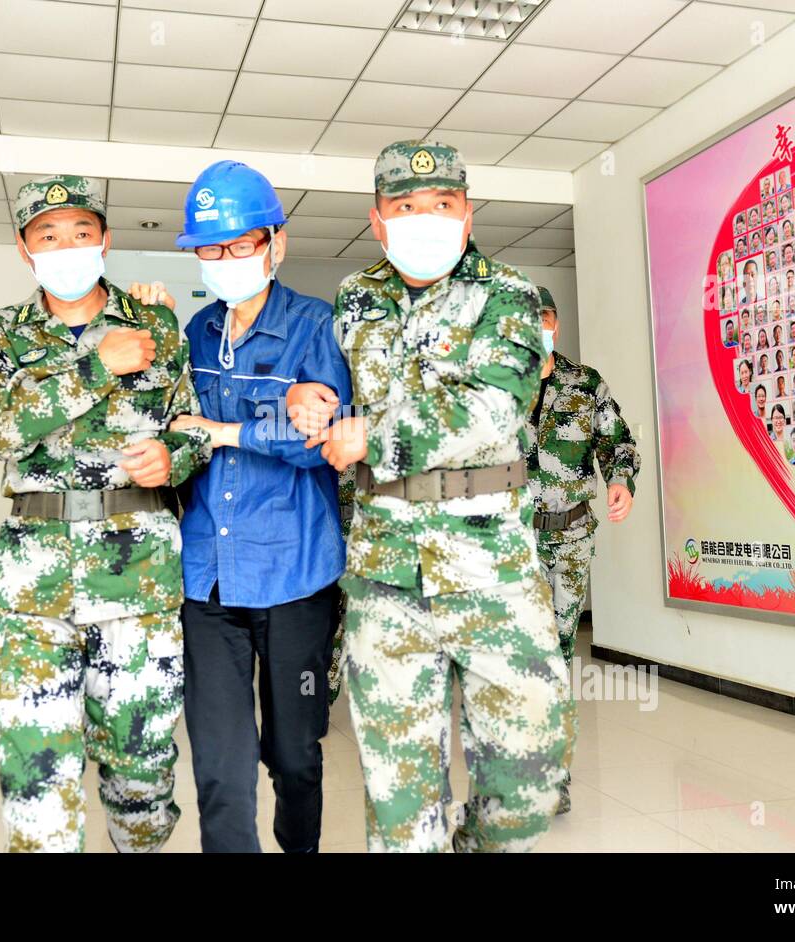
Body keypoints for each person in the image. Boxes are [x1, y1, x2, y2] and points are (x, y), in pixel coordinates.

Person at [286, 140, 571, 851]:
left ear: (467, 214)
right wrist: (303, 396)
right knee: (398, 791)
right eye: (405, 207)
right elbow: (332, 385)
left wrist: (370, 440)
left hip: (491, 567)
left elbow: (492, 411)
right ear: (378, 221)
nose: (425, 219)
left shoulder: (510, 296)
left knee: (530, 774)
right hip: (385, 573)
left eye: (442, 205)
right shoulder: (356, 297)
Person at [0, 175, 212, 853]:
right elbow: (2, 431)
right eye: (48, 235)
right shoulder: (2, 335)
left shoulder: (156, 325)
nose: (66, 246)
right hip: (33, 585)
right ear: (24, 249)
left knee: (141, 767)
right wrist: (95, 366)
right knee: (35, 763)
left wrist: (174, 455)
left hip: (139, 580)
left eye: (80, 232)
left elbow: (190, 425)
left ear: (104, 240)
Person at [147, 161, 353, 854]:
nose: (227, 261)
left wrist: (231, 429)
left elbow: (320, 443)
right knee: (219, 759)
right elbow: (172, 430)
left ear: (276, 243)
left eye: (242, 245)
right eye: (211, 248)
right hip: (207, 575)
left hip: (296, 572)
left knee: (293, 754)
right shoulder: (197, 334)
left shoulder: (315, 326)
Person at [518, 286, 639, 814]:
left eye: (545, 317)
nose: (538, 326)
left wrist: (621, 480)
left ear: (556, 323)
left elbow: (618, 441)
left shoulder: (585, 384)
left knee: (556, 652)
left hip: (568, 540)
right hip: (511, 543)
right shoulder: (496, 386)